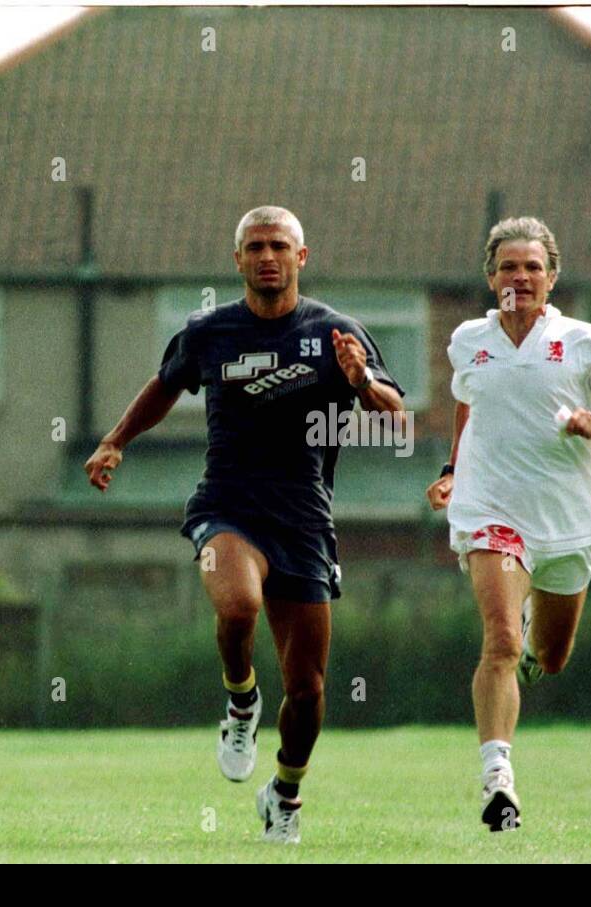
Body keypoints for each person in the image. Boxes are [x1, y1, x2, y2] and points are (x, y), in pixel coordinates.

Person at [85, 206, 404, 843]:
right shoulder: (209, 331)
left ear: (300, 257)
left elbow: (395, 413)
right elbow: (164, 383)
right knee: (236, 607)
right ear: (237, 260)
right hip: (226, 506)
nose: (267, 256)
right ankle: (240, 701)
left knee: (309, 691)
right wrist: (115, 441)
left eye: (279, 246)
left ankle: (284, 794)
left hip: (305, 519)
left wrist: (361, 380)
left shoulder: (336, 332)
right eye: (254, 246)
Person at [426, 216, 591, 831]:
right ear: (490, 277)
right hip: (490, 510)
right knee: (499, 640)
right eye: (506, 267)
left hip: (568, 520)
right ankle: (497, 780)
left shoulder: (589, 344)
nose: (518, 277)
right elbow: (468, 401)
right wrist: (452, 469)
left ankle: (532, 649)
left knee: (549, 656)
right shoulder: (469, 338)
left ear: (552, 276)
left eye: (531, 267)